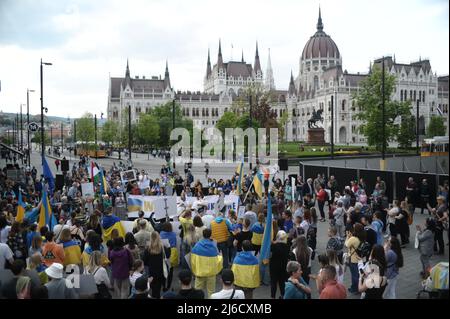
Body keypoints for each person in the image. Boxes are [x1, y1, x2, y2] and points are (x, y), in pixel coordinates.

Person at [191, 229, 223, 298]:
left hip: (200, 272)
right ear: (211, 235)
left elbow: (192, 260)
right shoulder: (214, 247)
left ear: (203, 235)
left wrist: (194, 270)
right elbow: (218, 260)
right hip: (211, 273)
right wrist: (221, 256)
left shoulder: (197, 245)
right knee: (211, 291)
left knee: (197, 290)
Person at [142, 231, 169, 299]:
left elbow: (144, 260)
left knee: (153, 286)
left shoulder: (148, 248)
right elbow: (167, 256)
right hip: (160, 270)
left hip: (151, 270)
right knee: (158, 286)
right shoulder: (162, 248)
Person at [345, 223, 365, 295]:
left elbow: (346, 244)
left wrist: (348, 236)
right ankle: (357, 287)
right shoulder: (362, 237)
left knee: (354, 275)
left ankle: (355, 289)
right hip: (359, 258)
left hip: (353, 259)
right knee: (358, 274)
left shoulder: (353, 238)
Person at [269, 230, 289, 299]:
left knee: (273, 282)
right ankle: (283, 295)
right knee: (282, 282)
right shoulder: (287, 246)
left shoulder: (274, 246)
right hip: (283, 266)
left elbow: (270, 254)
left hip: (274, 267)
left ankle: (273, 296)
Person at [160, 222, 178, 290]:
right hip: (172, 253)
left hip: (163, 252)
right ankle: (169, 286)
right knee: (171, 270)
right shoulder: (173, 234)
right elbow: (175, 243)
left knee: (164, 269)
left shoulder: (161, 233)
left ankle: (163, 285)